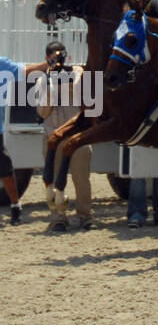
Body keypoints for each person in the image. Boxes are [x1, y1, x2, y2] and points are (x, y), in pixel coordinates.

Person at [31, 41, 94, 232]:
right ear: (46, 59)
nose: (57, 61)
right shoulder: (42, 81)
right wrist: (51, 87)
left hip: (76, 135)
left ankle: (85, 216)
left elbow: (83, 95)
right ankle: (58, 216)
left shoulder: (77, 74)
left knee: (81, 178)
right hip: (53, 137)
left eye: (59, 56)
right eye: (52, 57)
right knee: (54, 178)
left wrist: (64, 81)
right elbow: (42, 112)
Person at [0, 55, 28, 222]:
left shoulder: (2, 64)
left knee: (4, 167)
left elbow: (27, 71)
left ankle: (16, 205)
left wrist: (51, 63)